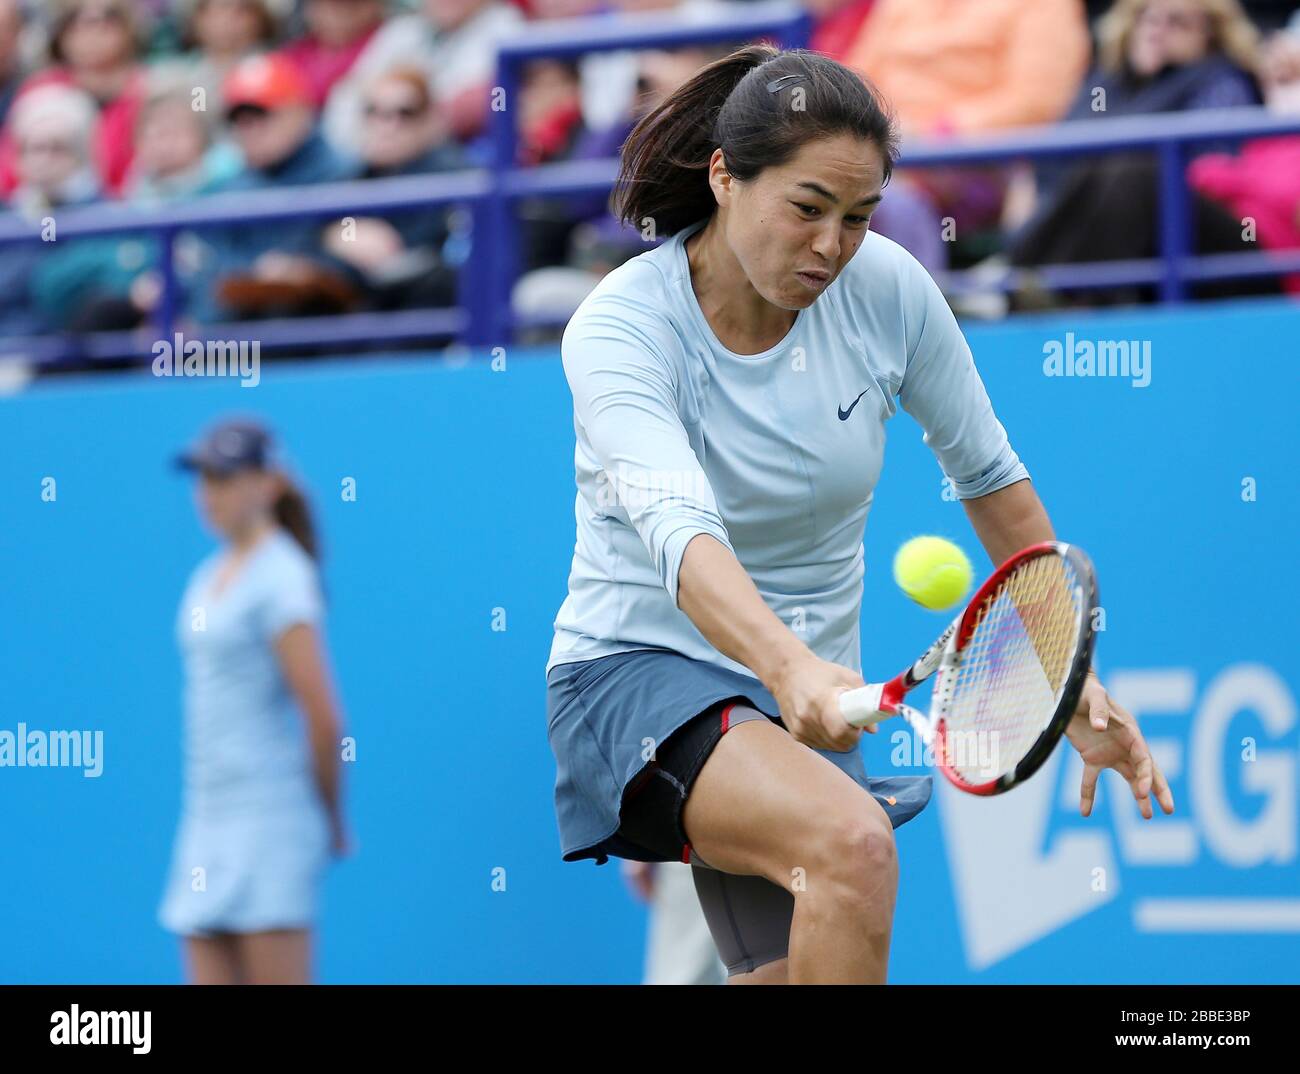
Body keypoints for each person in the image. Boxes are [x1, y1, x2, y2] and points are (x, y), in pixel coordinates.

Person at [544, 45, 1175, 985]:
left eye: (860, 217)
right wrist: (788, 666)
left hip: (793, 706)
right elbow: (677, 531)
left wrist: (1065, 678)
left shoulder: (888, 290)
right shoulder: (621, 327)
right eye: (807, 209)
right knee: (855, 846)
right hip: (638, 674)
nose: (833, 248)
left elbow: (990, 479)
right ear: (724, 176)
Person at [159, 418, 350, 985]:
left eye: (224, 477)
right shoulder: (207, 576)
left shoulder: (284, 576)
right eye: (203, 478)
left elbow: (323, 718)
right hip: (204, 819)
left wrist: (330, 818)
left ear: (268, 485)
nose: (208, 493)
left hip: (270, 823)